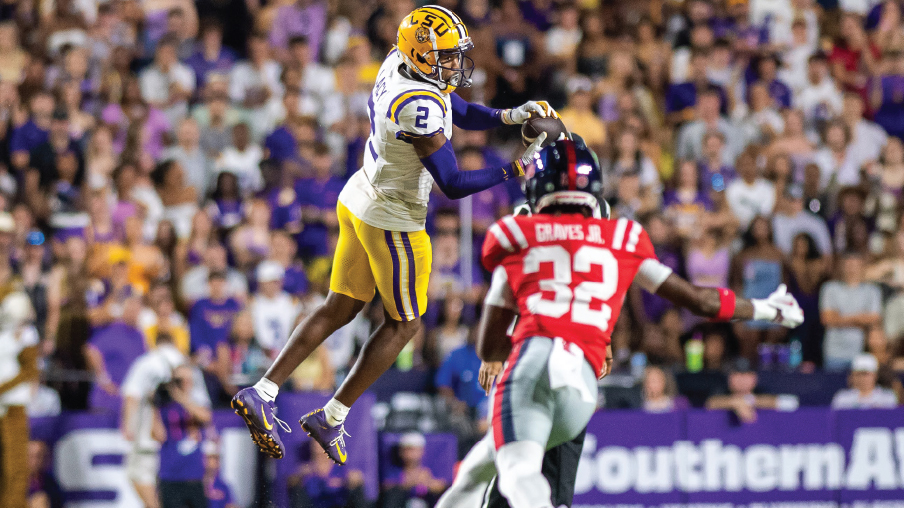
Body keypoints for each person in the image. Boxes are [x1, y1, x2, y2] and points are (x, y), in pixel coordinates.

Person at [232, 4, 558, 463]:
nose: (454, 64)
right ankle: (333, 414)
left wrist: (506, 117)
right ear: (422, 56)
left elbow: (456, 108)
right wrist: (516, 167)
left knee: (340, 307)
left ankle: (263, 391)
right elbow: (453, 182)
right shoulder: (417, 107)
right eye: (445, 56)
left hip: (361, 193)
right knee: (405, 323)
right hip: (394, 218)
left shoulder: (402, 64)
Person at [436, 137, 803, 508]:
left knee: (516, 474)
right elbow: (701, 299)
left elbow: (494, 325)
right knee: (479, 472)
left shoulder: (519, 232)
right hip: (581, 381)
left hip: (533, 361)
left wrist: (494, 354)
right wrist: (765, 308)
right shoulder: (620, 235)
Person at [0, 293, 40, 508]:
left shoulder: (27, 334)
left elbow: (29, 370)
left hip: (13, 407)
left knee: (15, 467)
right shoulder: (6, 335)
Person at [155, 364, 212, 508]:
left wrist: (181, 397)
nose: (183, 383)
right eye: (179, 379)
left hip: (194, 476)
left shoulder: (196, 403)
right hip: (170, 476)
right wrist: (153, 405)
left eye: (187, 379)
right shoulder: (164, 406)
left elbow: (205, 417)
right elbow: (157, 435)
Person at [820, 252, 883, 370]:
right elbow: (827, 319)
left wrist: (839, 318)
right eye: (848, 265)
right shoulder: (830, 288)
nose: (851, 269)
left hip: (862, 351)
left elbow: (874, 318)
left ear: (862, 267)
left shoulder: (872, 291)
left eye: (855, 265)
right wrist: (860, 318)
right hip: (834, 352)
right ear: (841, 266)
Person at [706, 358, 798, 423]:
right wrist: (736, 402)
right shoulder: (722, 391)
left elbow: (792, 402)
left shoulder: (762, 391)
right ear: (729, 378)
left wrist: (748, 401)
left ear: (754, 378)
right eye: (737, 374)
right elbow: (710, 403)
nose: (741, 379)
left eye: (746, 374)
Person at [831, 353, 898, 409]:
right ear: (852, 376)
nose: (862, 378)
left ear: (875, 375)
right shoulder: (842, 398)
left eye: (865, 374)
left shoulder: (887, 397)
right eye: (858, 374)